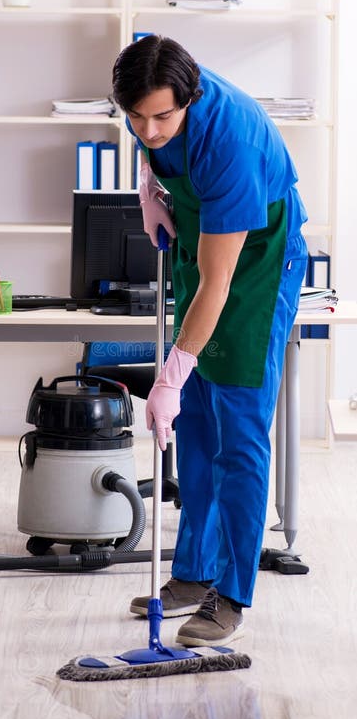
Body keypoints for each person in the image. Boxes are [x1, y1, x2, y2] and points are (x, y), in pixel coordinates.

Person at [111, 35, 308, 647]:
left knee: (238, 430)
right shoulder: (151, 94)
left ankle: (231, 593)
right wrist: (149, 187)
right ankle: (193, 574)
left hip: (256, 259)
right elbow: (150, 136)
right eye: (135, 117)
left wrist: (168, 376)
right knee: (194, 424)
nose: (148, 128)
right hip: (205, 233)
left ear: (190, 99)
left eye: (162, 117)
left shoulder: (232, 142)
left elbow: (220, 283)